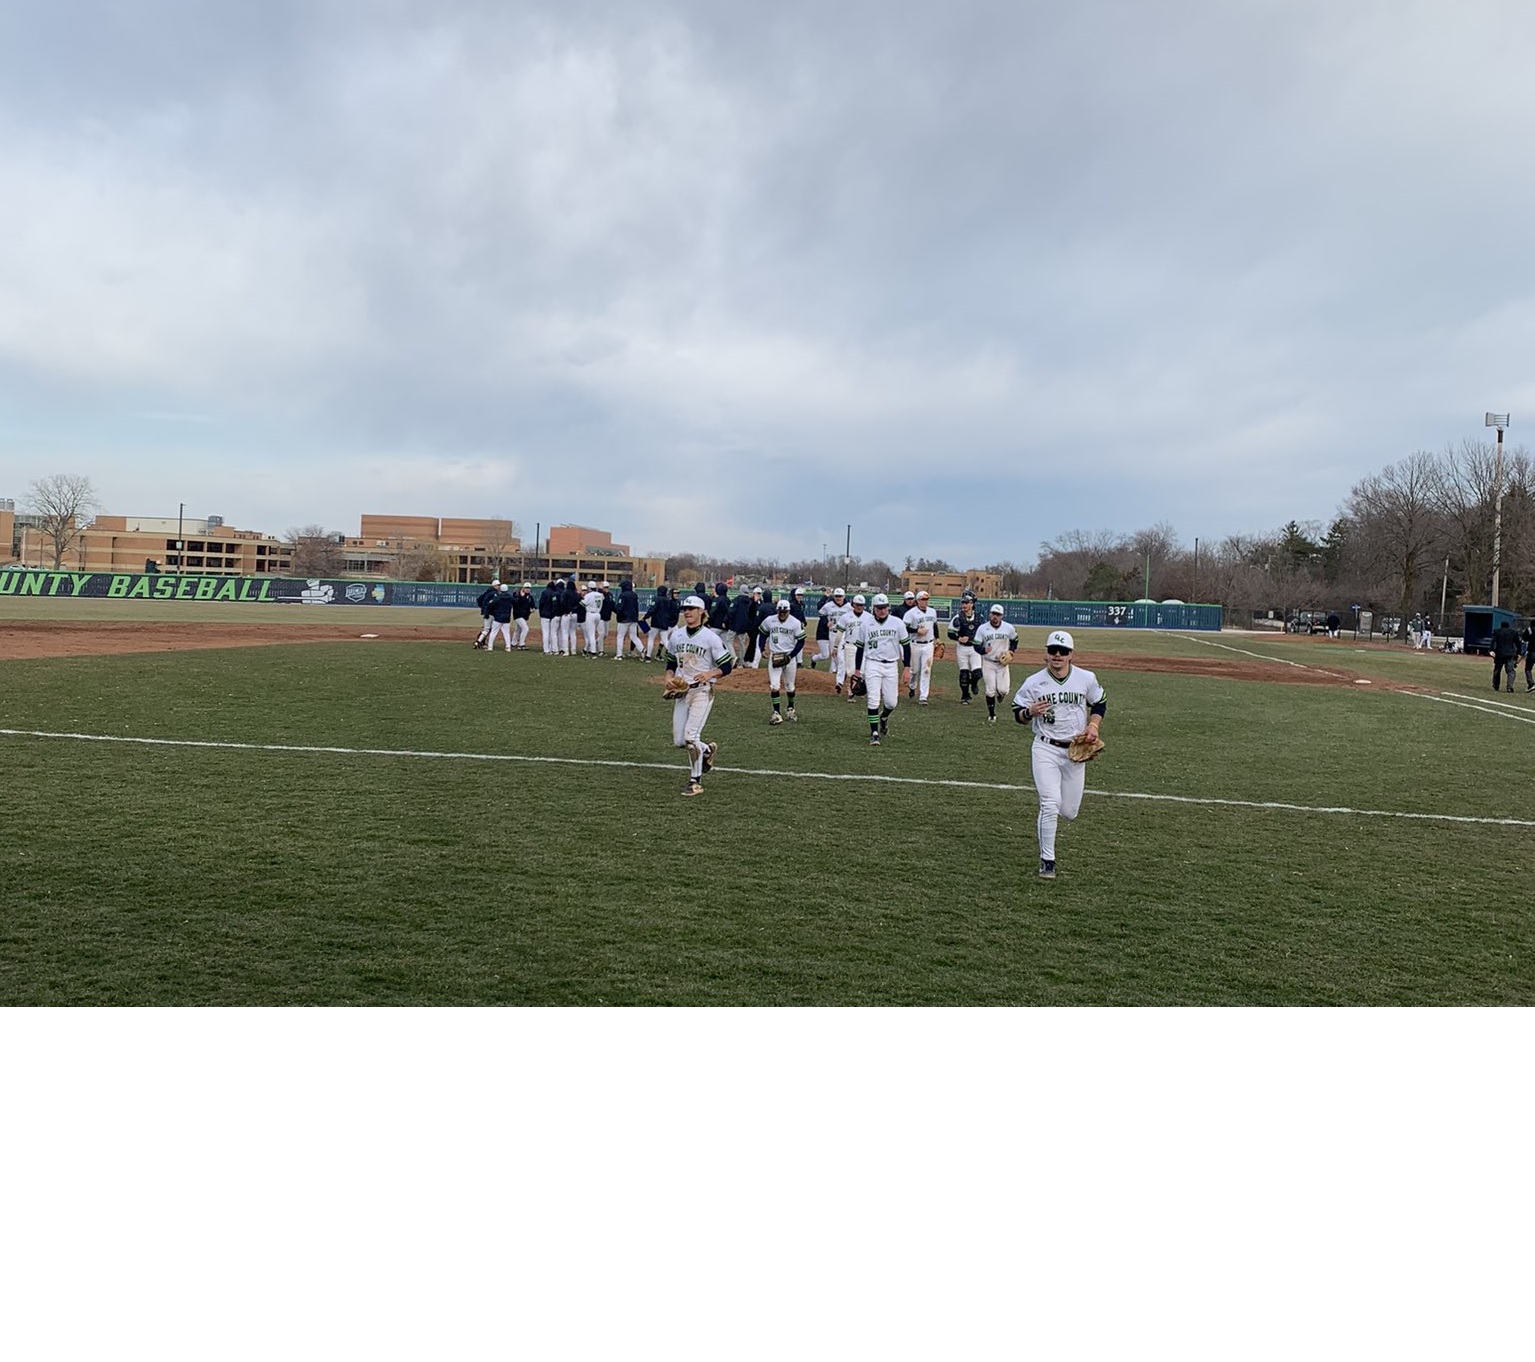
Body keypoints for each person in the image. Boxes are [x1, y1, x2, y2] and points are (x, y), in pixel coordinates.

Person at [1012, 630, 1107, 881]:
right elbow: (1017, 713)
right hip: (1045, 748)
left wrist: (1094, 725)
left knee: (1069, 811)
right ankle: (1047, 861)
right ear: (1047, 653)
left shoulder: (1085, 678)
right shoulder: (1034, 682)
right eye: (1053, 650)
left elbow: (1099, 702)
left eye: (1063, 651)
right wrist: (1030, 712)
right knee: (1050, 803)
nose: (1057, 655)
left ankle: (1049, 849)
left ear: (1071, 655)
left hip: (1075, 752)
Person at [663, 594, 734, 797]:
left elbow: (727, 666)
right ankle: (707, 751)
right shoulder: (676, 636)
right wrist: (668, 678)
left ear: (701, 612)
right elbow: (670, 663)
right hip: (682, 691)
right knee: (679, 741)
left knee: (690, 737)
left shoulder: (711, 638)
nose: (687, 612)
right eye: (685, 609)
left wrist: (711, 673)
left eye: (692, 609)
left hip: (703, 691)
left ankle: (696, 781)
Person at [850, 593, 911, 746]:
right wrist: (857, 669)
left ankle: (883, 717)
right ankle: (874, 733)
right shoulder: (866, 624)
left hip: (891, 665)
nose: (882, 610)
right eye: (879, 608)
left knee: (891, 702)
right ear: (874, 609)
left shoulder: (897, 623)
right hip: (873, 664)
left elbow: (906, 645)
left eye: (884, 607)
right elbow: (860, 648)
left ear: (888, 607)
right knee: (873, 699)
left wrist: (907, 667)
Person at [758, 598, 805, 724]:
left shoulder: (795, 623)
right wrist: (762, 648)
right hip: (775, 655)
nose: (782, 614)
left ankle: (790, 709)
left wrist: (792, 656)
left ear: (788, 611)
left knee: (790, 686)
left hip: (789, 656)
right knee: (774, 686)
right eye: (780, 611)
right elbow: (762, 633)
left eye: (784, 612)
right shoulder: (770, 620)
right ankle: (776, 713)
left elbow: (801, 641)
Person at [972, 604, 1020, 723]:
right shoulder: (983, 628)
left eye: (998, 615)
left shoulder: (1008, 628)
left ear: (1002, 616)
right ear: (990, 614)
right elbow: (976, 644)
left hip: (1003, 663)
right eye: (993, 614)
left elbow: (1015, 640)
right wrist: (983, 650)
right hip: (988, 662)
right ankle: (992, 714)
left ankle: (1001, 695)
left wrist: (1011, 651)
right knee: (990, 690)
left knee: (1003, 690)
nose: (995, 617)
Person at [902, 589, 939, 703]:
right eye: (923, 599)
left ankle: (923, 696)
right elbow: (905, 628)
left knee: (926, 670)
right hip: (915, 645)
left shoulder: (932, 612)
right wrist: (917, 630)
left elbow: (935, 625)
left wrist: (937, 638)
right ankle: (912, 686)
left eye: (927, 599)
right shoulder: (910, 613)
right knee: (914, 670)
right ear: (917, 601)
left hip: (928, 644)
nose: (925, 602)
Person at [947, 592, 982, 704]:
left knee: (977, 673)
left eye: (966, 602)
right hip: (962, 648)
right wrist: (959, 638)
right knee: (964, 673)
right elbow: (950, 633)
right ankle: (965, 696)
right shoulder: (957, 618)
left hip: (975, 648)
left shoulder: (979, 617)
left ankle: (974, 684)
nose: (964, 605)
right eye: (963, 602)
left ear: (972, 604)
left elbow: (984, 631)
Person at [837, 593, 870, 699]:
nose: (859, 607)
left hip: (864, 646)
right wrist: (835, 646)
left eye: (861, 605)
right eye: (857, 604)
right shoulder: (846, 617)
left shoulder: (869, 617)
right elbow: (839, 633)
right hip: (850, 645)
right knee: (851, 670)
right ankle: (851, 691)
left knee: (864, 669)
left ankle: (861, 689)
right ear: (853, 604)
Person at [483, 582, 516, 652]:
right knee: (506, 633)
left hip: (498, 617)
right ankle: (508, 647)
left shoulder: (497, 597)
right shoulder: (510, 597)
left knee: (493, 632)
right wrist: (515, 594)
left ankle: (490, 647)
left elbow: (490, 604)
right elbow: (516, 602)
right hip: (507, 618)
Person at [614, 579, 642, 659]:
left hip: (623, 619)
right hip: (633, 619)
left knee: (620, 636)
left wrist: (615, 608)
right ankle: (642, 649)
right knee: (634, 636)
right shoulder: (634, 595)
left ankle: (619, 655)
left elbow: (619, 608)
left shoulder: (623, 595)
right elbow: (636, 608)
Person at [1492, 618, 1521, 692]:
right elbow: (1518, 643)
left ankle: (1496, 685)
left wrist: (1491, 650)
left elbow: (1493, 642)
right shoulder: (1513, 632)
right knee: (1510, 671)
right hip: (1510, 653)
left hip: (1500, 653)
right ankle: (1509, 686)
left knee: (1497, 670)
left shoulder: (1497, 632)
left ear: (1501, 626)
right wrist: (1518, 653)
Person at [473, 578, 501, 649]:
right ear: (494, 586)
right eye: (498, 585)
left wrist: (483, 609)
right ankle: (478, 641)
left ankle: (480, 641)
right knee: (487, 629)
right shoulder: (494, 593)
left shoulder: (488, 592)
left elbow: (480, 599)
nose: (499, 587)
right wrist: (485, 611)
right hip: (490, 613)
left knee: (487, 629)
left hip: (487, 612)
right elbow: (489, 604)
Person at [536, 579, 560, 654]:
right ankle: (552, 648)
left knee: (545, 633)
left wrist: (541, 613)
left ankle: (546, 649)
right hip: (552, 615)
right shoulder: (555, 593)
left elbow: (541, 603)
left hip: (544, 615)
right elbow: (555, 605)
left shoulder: (545, 592)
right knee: (552, 633)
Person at [511, 583, 534, 649]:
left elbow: (532, 605)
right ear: (523, 588)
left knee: (518, 630)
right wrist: (521, 596)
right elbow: (515, 603)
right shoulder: (517, 595)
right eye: (526, 588)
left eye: (529, 588)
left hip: (525, 616)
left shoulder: (529, 597)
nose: (527, 589)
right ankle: (521, 644)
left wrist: (533, 609)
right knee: (525, 629)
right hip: (518, 615)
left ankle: (513, 643)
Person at [1522, 620, 1535, 692]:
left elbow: (1524, 638)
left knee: (1528, 669)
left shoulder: (1529, 630)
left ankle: (1531, 683)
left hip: (1532, 651)